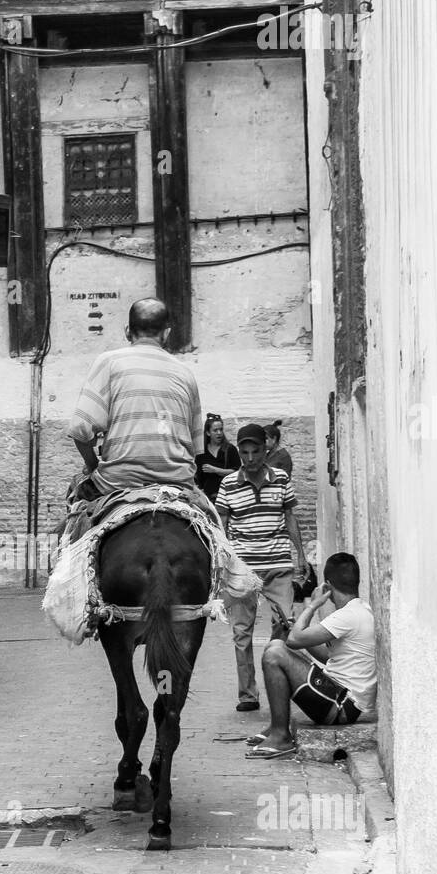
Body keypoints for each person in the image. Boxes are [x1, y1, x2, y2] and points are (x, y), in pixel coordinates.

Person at [68, 298, 202, 500]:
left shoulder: (109, 362)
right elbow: (195, 447)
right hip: (178, 484)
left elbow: (80, 429)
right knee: (212, 523)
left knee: (75, 505)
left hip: (117, 483)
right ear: (167, 333)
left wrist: (92, 466)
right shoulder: (186, 373)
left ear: (127, 330)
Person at [246, 552, 377, 758]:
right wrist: (294, 631)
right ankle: (276, 728)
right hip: (340, 697)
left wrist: (313, 605)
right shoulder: (361, 610)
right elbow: (327, 656)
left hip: (342, 706)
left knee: (275, 651)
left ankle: (281, 736)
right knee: (281, 648)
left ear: (328, 586)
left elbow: (295, 640)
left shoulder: (346, 616)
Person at [216, 423, 308, 712]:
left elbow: (290, 517)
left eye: (256, 451)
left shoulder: (280, 479)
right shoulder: (228, 484)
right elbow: (222, 526)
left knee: (284, 625)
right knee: (241, 633)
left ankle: (277, 686)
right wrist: (222, 564)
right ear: (240, 453)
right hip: (243, 569)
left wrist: (301, 556)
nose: (251, 458)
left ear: (265, 449)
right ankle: (248, 695)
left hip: (279, 564)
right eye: (245, 452)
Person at [195, 414, 240, 502]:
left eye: (221, 429)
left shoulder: (230, 449)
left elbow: (238, 472)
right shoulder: (201, 452)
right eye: (215, 430)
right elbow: (197, 477)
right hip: (208, 498)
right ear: (208, 433)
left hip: (228, 497)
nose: (219, 433)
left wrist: (216, 470)